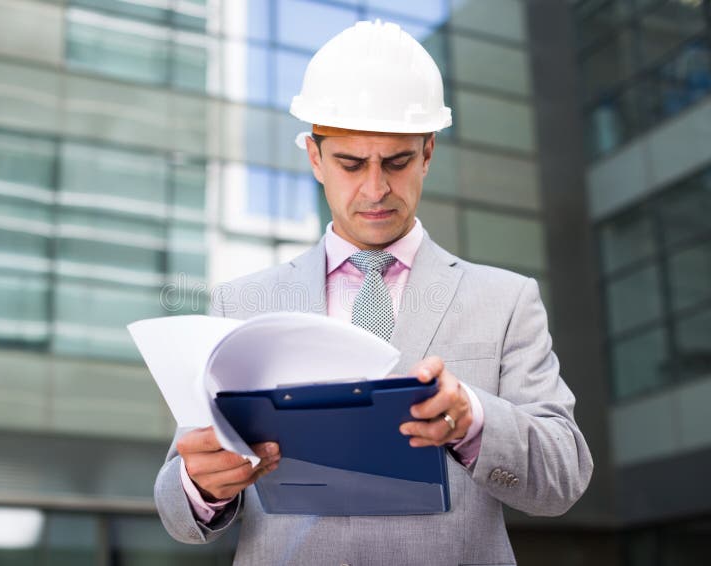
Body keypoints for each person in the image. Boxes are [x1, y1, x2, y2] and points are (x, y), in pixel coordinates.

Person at [155, 20, 593, 566]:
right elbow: (177, 511)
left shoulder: (505, 302)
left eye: (398, 161)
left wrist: (474, 419)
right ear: (314, 158)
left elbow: (564, 475)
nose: (376, 189)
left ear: (428, 153)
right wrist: (202, 484)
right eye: (351, 163)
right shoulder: (242, 306)